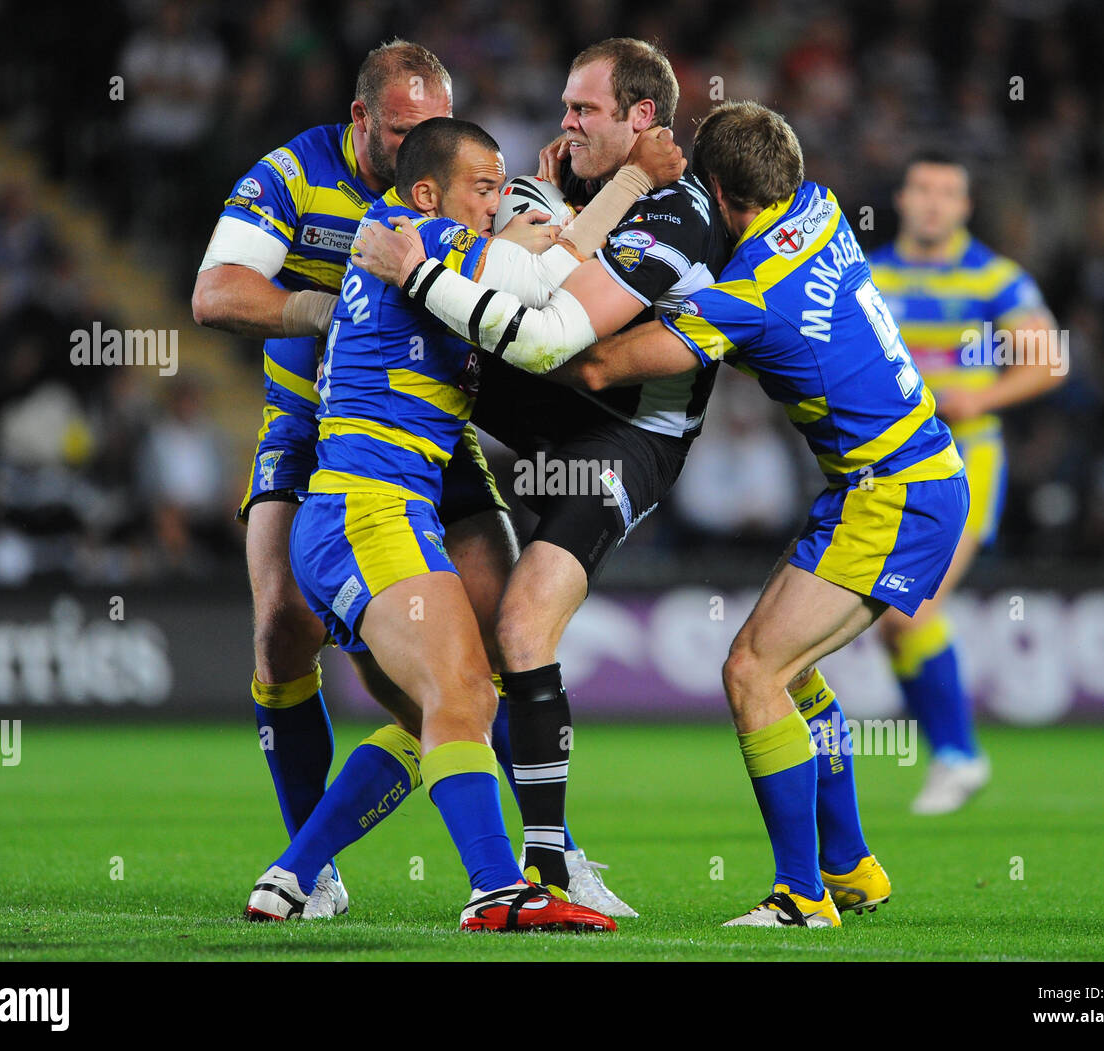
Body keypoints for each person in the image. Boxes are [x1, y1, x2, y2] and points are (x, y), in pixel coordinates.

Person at [364, 101, 966, 926]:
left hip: (893, 492)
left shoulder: (748, 293)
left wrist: (444, 282)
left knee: (753, 671)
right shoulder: (820, 210)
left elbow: (598, 364)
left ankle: (801, 897)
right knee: (794, 673)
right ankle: (850, 864)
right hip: (900, 475)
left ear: (717, 191)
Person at [244, 115, 677, 930]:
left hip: (353, 513)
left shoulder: (417, 244)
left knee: (432, 715)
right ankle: (497, 888)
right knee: (469, 690)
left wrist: (538, 212)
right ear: (428, 191)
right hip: (373, 512)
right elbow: (549, 278)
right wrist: (631, 183)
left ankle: (293, 875)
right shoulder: (423, 233)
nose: (494, 204)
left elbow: (529, 266)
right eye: (485, 188)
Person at [358, 38, 728, 903]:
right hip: (534, 415)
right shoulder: (554, 188)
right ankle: (312, 868)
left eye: (583, 109)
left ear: (642, 120)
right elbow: (524, 267)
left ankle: (554, 862)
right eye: (565, 106)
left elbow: (554, 336)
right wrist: (551, 211)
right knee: (466, 671)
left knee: (522, 629)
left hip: (624, 433)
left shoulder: (674, 212)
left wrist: (417, 272)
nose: (562, 123)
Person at [192, 40, 517, 918]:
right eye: (402, 128)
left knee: (497, 642)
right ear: (360, 120)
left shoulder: (454, 196)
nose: (419, 142)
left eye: (432, 128)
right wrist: (340, 310)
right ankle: (320, 870)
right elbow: (216, 294)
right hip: (315, 433)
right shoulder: (296, 174)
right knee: (283, 630)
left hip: (428, 436)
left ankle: (549, 852)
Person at [868, 152, 1063, 814]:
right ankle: (955, 753)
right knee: (891, 624)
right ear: (901, 196)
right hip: (885, 469)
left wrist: (981, 399)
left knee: (907, 609)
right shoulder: (869, 274)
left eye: (946, 192)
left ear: (964, 207)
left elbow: (1047, 361)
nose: (932, 201)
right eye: (922, 187)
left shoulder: (992, 277)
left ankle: (958, 754)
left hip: (965, 462)